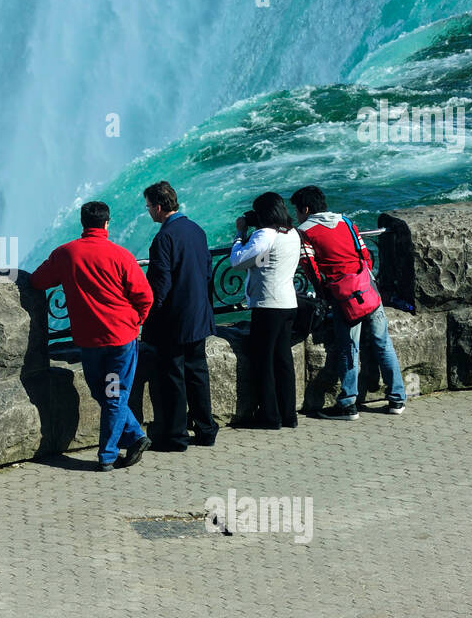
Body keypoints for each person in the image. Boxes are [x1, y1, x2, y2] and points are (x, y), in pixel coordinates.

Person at [31, 201, 154, 472]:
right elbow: (145, 296)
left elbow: (38, 281)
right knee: (112, 393)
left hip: (90, 341)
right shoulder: (121, 255)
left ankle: (109, 454)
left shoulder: (67, 254)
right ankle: (132, 438)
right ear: (107, 224)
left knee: (107, 392)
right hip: (121, 338)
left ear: (83, 223)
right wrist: (137, 320)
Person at [291, 185, 406, 418]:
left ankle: (347, 403)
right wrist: (362, 280)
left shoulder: (303, 231)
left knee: (348, 348)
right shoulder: (346, 221)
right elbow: (365, 255)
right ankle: (397, 399)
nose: (296, 215)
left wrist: (324, 293)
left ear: (305, 209)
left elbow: (310, 267)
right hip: (367, 288)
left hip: (343, 296)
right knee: (383, 343)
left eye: (297, 210)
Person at [141, 181, 219, 451]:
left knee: (173, 377)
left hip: (174, 320)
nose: (149, 211)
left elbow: (160, 284)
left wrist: (147, 317)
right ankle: (206, 429)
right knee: (197, 373)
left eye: (149, 207)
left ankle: (175, 437)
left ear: (159, 207)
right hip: (199, 315)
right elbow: (207, 271)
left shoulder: (165, 237)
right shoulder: (196, 230)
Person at [228, 192, 302, 429]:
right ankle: (288, 414)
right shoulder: (291, 233)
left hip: (268, 306)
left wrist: (240, 234)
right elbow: (266, 261)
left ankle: (269, 417)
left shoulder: (265, 234)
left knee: (264, 361)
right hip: (288, 303)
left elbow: (238, 261)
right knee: (282, 360)